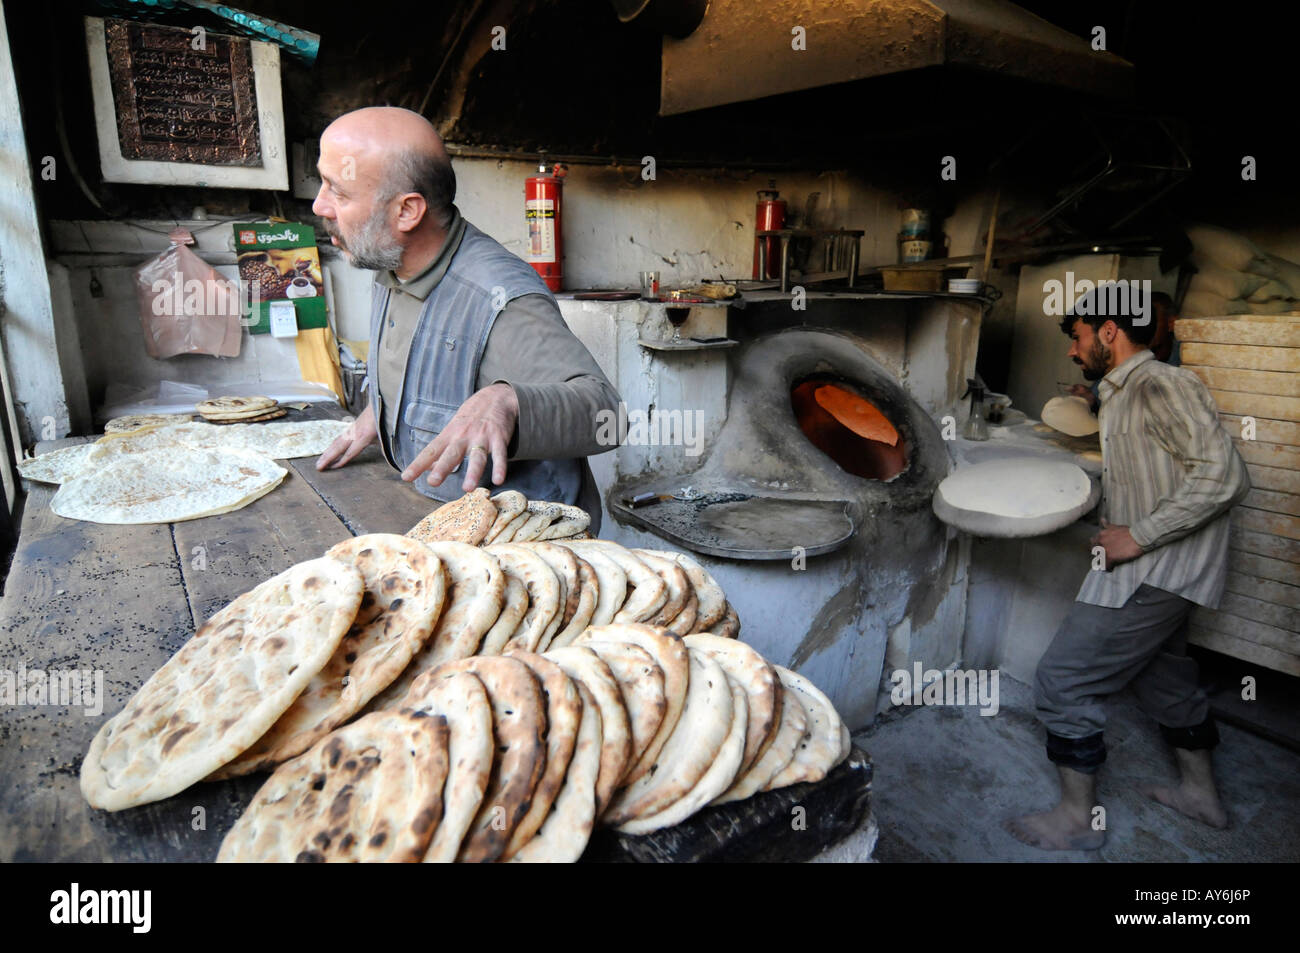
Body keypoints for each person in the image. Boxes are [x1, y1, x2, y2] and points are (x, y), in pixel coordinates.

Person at [1006, 290, 1249, 851]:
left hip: (1155, 569)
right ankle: (1201, 796)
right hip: (1171, 568)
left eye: (1079, 336)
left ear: (1110, 330)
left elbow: (1225, 478)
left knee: (1063, 680)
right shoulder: (1125, 391)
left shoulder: (1162, 384)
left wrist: (1137, 535)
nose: (1074, 350)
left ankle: (1075, 819)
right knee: (1161, 676)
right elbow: (1159, 466)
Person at [311, 107, 620, 531]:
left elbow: (608, 415)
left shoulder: (498, 295)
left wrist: (504, 402)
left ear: (406, 212)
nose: (319, 204)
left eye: (338, 191)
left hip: (525, 546)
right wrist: (382, 411)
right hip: (430, 516)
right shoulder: (390, 259)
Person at [1067, 291, 1181, 411]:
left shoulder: (1185, 369)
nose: (1140, 327)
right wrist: (1092, 399)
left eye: (1149, 322)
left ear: (1171, 323)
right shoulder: (1116, 368)